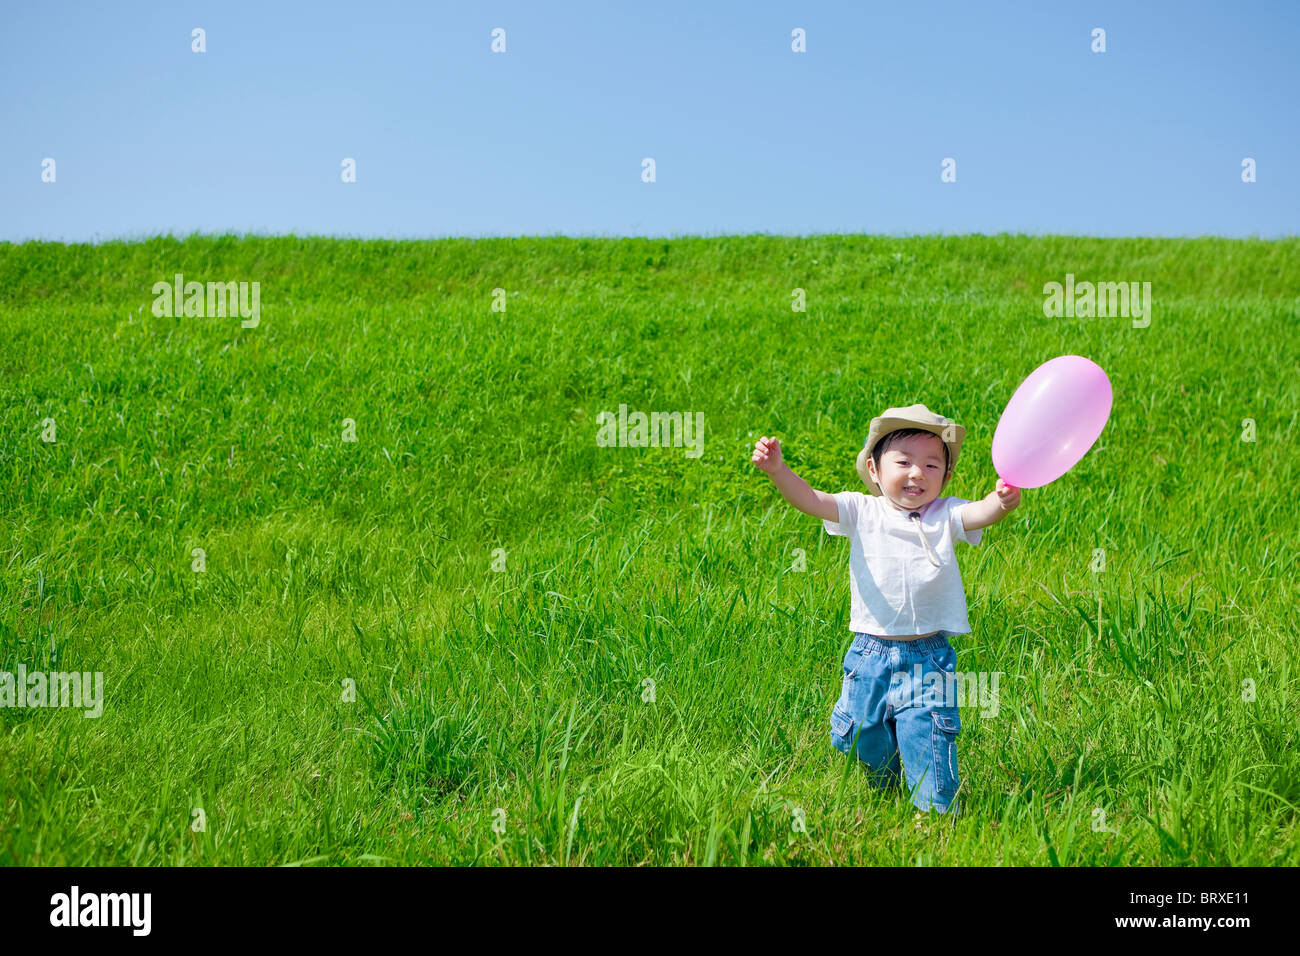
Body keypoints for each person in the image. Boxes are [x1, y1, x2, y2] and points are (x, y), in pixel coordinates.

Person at [750, 403, 1020, 815]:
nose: (917, 473)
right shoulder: (863, 510)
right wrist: (778, 471)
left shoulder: (945, 514)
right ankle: (886, 776)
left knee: (929, 734)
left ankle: (935, 816)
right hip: (870, 652)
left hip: (928, 655)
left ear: (946, 477)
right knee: (855, 731)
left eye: (932, 466)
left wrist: (1000, 502)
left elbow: (980, 512)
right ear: (875, 470)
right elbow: (810, 500)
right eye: (904, 461)